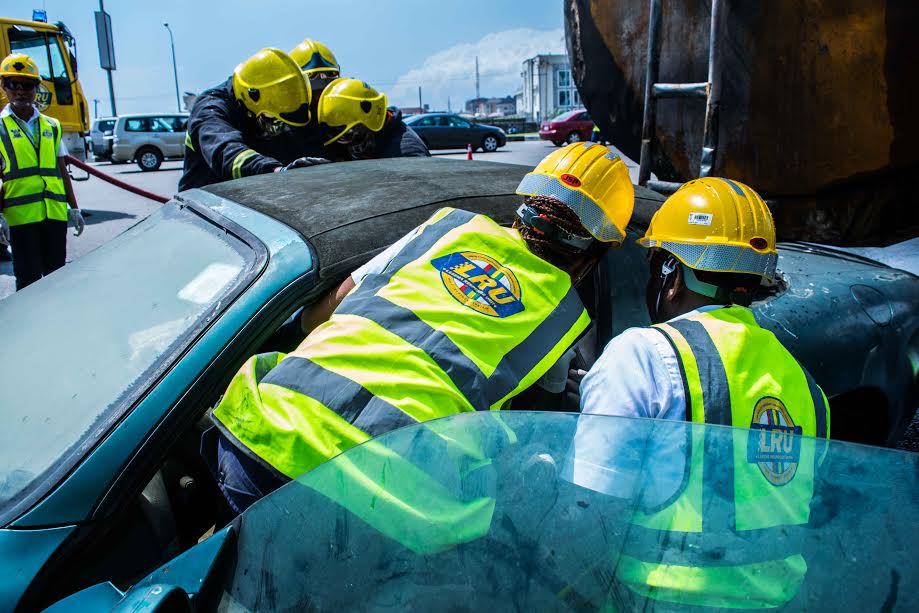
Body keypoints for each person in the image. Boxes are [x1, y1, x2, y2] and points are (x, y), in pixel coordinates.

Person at [206, 142, 635, 515]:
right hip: (381, 498)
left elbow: (326, 312)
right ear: (595, 254)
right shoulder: (563, 313)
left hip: (258, 435)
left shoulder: (445, 228)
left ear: (524, 201)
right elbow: (533, 428)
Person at [572, 177, 831, 609]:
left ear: (671, 275)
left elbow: (587, 510)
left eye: (655, 265)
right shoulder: (805, 384)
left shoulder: (642, 356)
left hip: (662, 598)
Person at [179, 48, 327, 191]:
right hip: (202, 206)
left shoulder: (255, 110)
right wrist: (275, 171)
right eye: (271, 119)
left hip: (243, 200)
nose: (274, 127)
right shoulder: (210, 109)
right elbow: (227, 152)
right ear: (251, 96)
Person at [0, 53, 83, 291]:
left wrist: (74, 207)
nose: (20, 91)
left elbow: (61, 170)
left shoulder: (52, 126)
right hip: (20, 217)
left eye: (27, 85)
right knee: (28, 280)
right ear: (3, 86)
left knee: (57, 278)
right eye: (13, 84)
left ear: (37, 88)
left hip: (54, 214)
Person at [317, 78, 429, 160]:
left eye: (348, 136)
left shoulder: (407, 154)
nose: (349, 145)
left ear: (370, 119)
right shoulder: (380, 139)